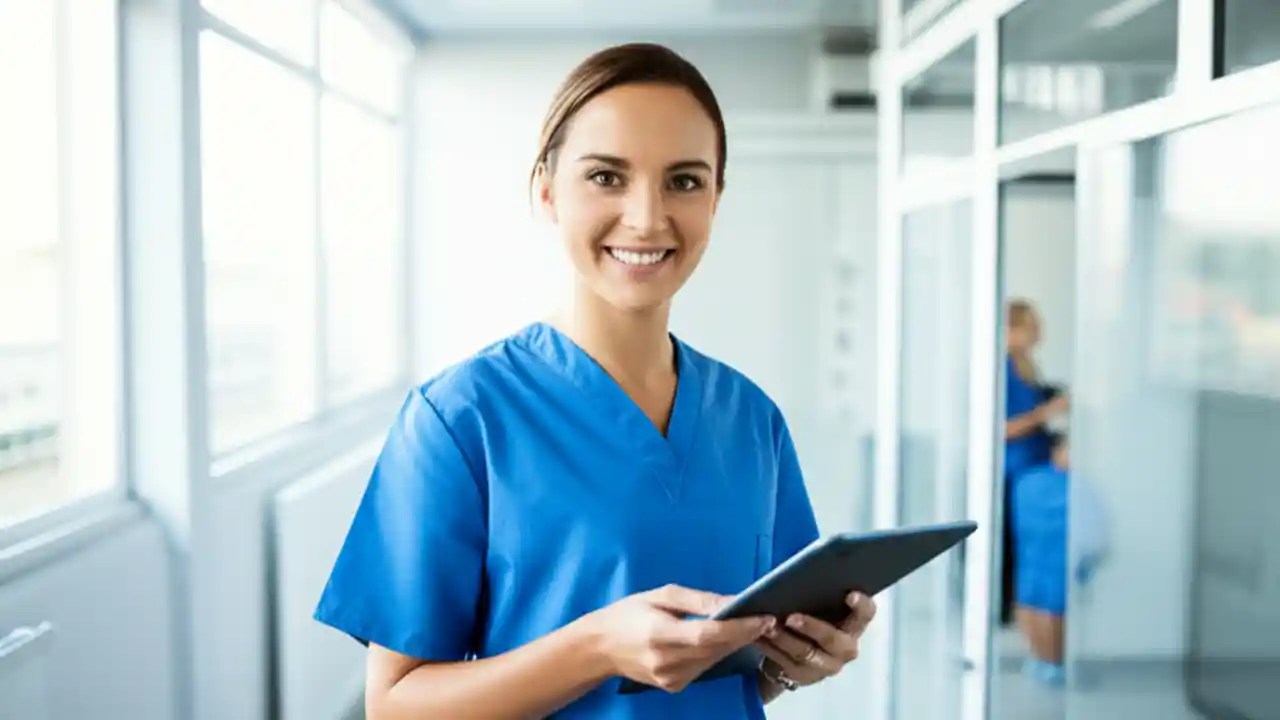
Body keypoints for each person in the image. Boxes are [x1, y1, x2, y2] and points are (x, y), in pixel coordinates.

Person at [313, 43, 876, 719]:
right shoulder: (459, 419)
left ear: (717, 199)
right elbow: (395, 706)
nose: (647, 217)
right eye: (607, 177)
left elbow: (735, 673)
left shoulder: (751, 420)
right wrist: (598, 648)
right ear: (547, 191)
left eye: (685, 181)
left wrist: (798, 664)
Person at [1001, 299, 1069, 625]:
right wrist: (1046, 412)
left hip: (1036, 468)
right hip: (1015, 470)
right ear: (1010, 330)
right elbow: (1001, 429)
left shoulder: (1027, 368)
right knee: (1021, 552)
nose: (1038, 334)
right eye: (1031, 327)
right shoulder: (1002, 372)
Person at [1011, 434, 1070, 686]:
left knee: (1044, 605)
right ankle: (1045, 660)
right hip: (1038, 552)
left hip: (1047, 555)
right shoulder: (1032, 481)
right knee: (1034, 604)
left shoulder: (1029, 481)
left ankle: (1049, 661)